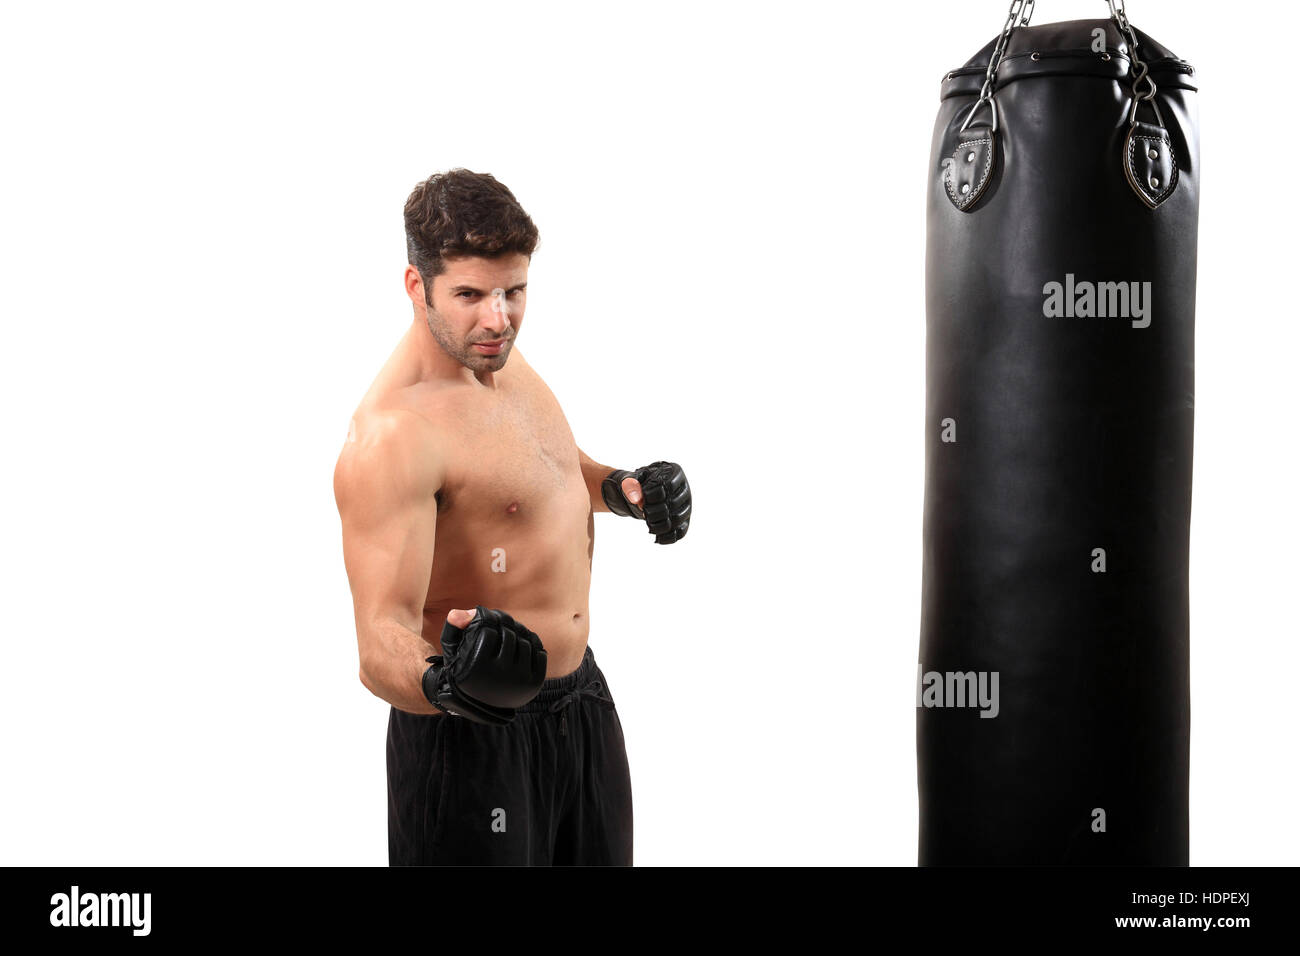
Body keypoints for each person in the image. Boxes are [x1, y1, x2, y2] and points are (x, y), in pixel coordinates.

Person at [332, 168, 691, 866]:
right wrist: (444, 681)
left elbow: (547, 472)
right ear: (416, 287)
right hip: (469, 740)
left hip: (581, 704)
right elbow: (378, 645)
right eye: (468, 294)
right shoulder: (392, 436)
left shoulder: (496, 357)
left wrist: (622, 488)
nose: (498, 318)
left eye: (513, 291)